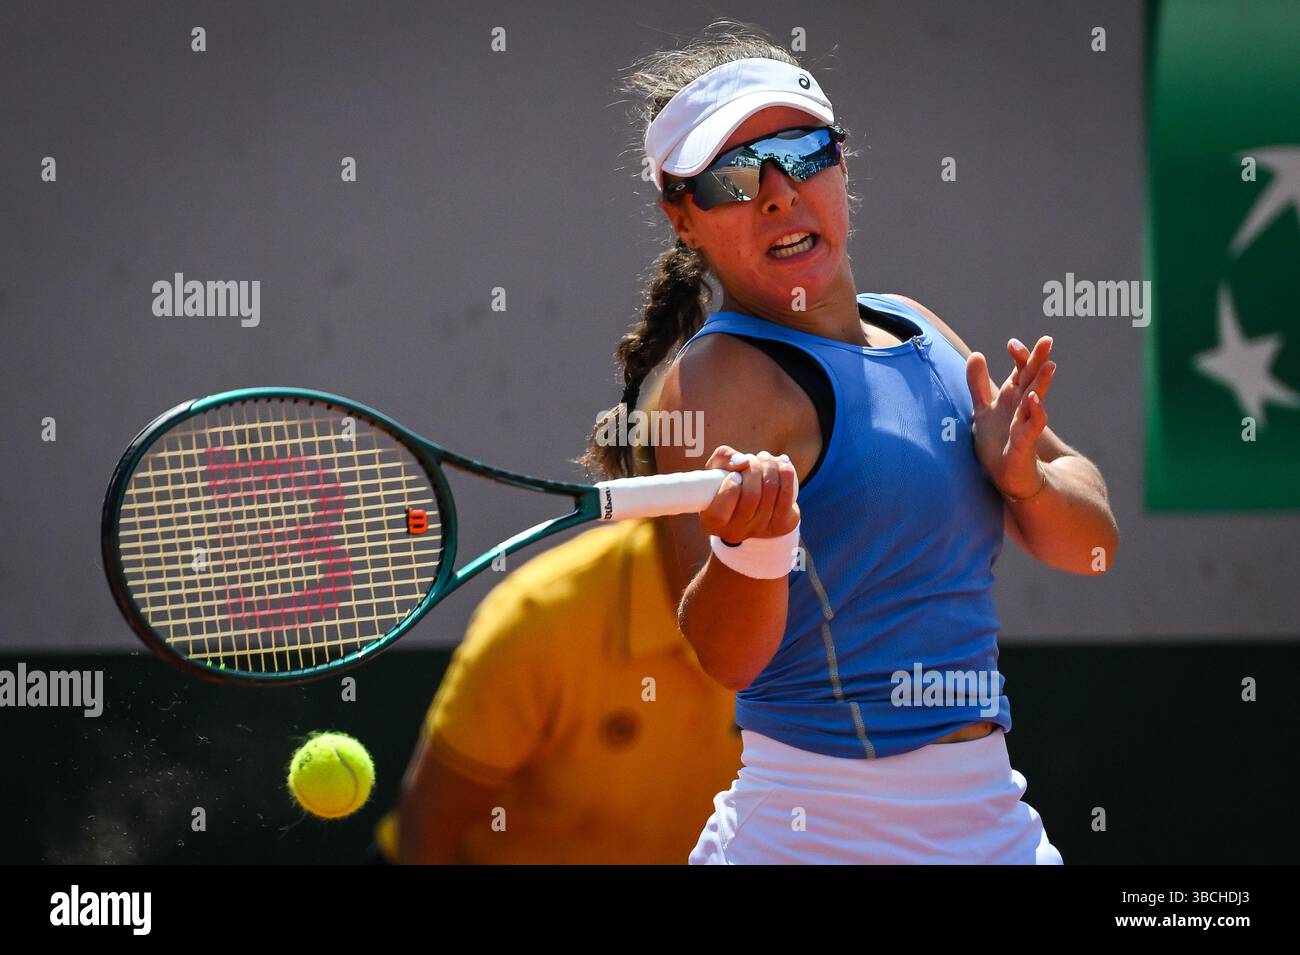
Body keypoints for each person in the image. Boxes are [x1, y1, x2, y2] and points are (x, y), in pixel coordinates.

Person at [580, 21, 1119, 864]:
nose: (776, 194)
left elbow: (1095, 546)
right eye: (730, 178)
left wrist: (1027, 484)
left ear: (840, 163)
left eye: (802, 153)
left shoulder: (920, 327)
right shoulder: (720, 381)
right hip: (815, 836)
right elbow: (727, 657)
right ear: (681, 218)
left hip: (992, 822)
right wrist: (754, 552)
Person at [375, 365, 741, 864]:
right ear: (660, 484)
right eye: (723, 475)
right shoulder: (540, 620)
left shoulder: (822, 609)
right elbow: (428, 833)